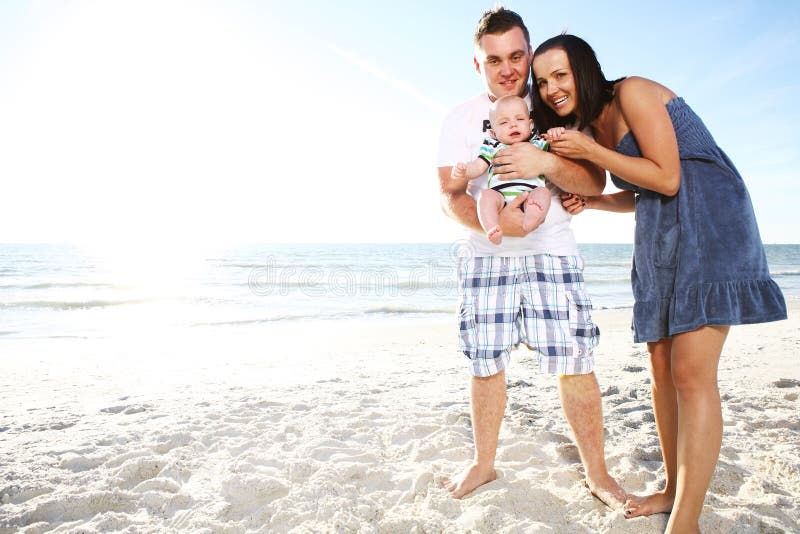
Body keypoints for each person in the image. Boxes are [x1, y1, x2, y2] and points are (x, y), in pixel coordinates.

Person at [530, 34, 787, 533]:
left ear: (584, 70)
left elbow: (669, 177)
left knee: (692, 374)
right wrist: (599, 202)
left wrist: (589, 151)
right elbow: (644, 189)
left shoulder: (634, 93)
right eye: (542, 82)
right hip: (662, 231)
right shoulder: (591, 128)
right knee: (661, 368)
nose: (551, 89)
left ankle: (686, 521)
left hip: (711, 221)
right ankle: (672, 490)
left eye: (560, 74)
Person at [437, 7, 626, 508]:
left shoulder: (552, 105)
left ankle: (598, 473)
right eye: (494, 59)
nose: (507, 68)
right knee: (484, 364)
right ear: (477, 65)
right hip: (486, 257)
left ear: (528, 52)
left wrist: (545, 163)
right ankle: (483, 463)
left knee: (575, 362)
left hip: (553, 254)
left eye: (517, 55)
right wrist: (497, 223)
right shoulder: (459, 118)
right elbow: (448, 194)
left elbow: (593, 181)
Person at [451, 95, 552, 245]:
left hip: (531, 194)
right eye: (504, 122)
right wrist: (466, 171)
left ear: (530, 125)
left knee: (543, 193)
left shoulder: (538, 143)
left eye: (519, 119)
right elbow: (479, 166)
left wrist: (555, 135)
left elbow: (557, 156)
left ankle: (531, 219)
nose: (513, 125)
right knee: (485, 196)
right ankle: (492, 228)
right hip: (500, 197)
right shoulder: (492, 146)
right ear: (493, 133)